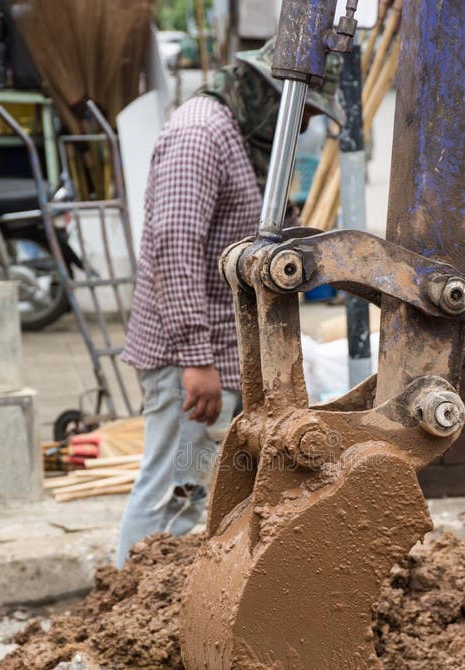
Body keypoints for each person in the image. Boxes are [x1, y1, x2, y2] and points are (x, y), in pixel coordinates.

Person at [116, 39, 344, 567]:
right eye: (304, 111)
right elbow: (172, 247)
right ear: (272, 95)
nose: (306, 126)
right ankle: (127, 607)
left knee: (209, 491)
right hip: (192, 364)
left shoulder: (244, 137)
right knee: (177, 491)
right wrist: (196, 360)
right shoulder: (201, 135)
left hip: (223, 356)